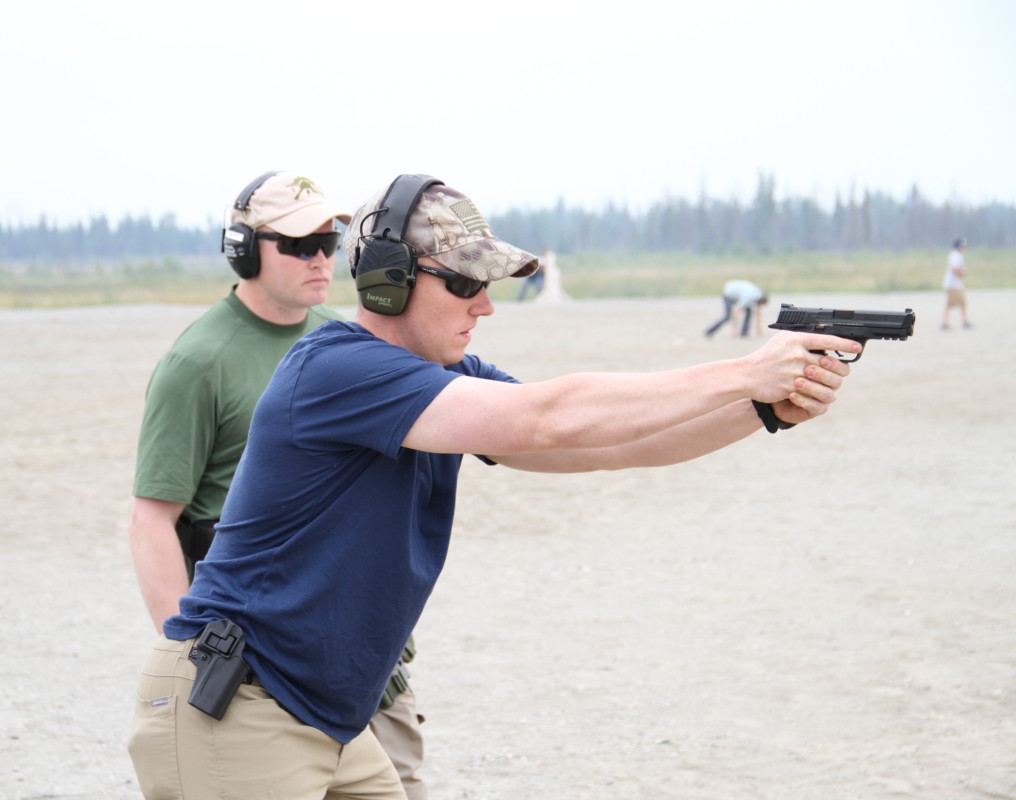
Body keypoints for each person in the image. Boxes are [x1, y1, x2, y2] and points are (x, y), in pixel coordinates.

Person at [126, 174, 860, 799]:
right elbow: (547, 418)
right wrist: (742, 370)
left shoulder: (443, 380)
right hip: (241, 706)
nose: (486, 305)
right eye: (467, 283)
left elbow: (606, 445)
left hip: (323, 714)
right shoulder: (335, 368)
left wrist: (762, 409)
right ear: (391, 279)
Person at [127, 171, 428, 800]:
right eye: (299, 244)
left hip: (363, 661)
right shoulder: (198, 362)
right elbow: (153, 519)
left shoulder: (342, 339)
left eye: (329, 240)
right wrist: (193, 656)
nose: (321, 258)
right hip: (262, 667)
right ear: (242, 248)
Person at [704, 278, 770, 338]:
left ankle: (744, 333)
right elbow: (736, 311)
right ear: (760, 302)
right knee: (727, 317)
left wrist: (759, 329)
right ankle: (709, 331)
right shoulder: (749, 296)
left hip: (737, 293)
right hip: (728, 293)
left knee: (749, 312)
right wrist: (734, 329)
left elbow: (758, 312)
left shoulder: (759, 295)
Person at [941, 237, 971, 330]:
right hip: (953, 285)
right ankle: (944, 323)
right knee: (950, 304)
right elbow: (954, 268)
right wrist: (962, 272)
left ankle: (964, 321)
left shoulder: (955, 255)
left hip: (956, 285)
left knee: (962, 303)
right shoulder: (956, 255)